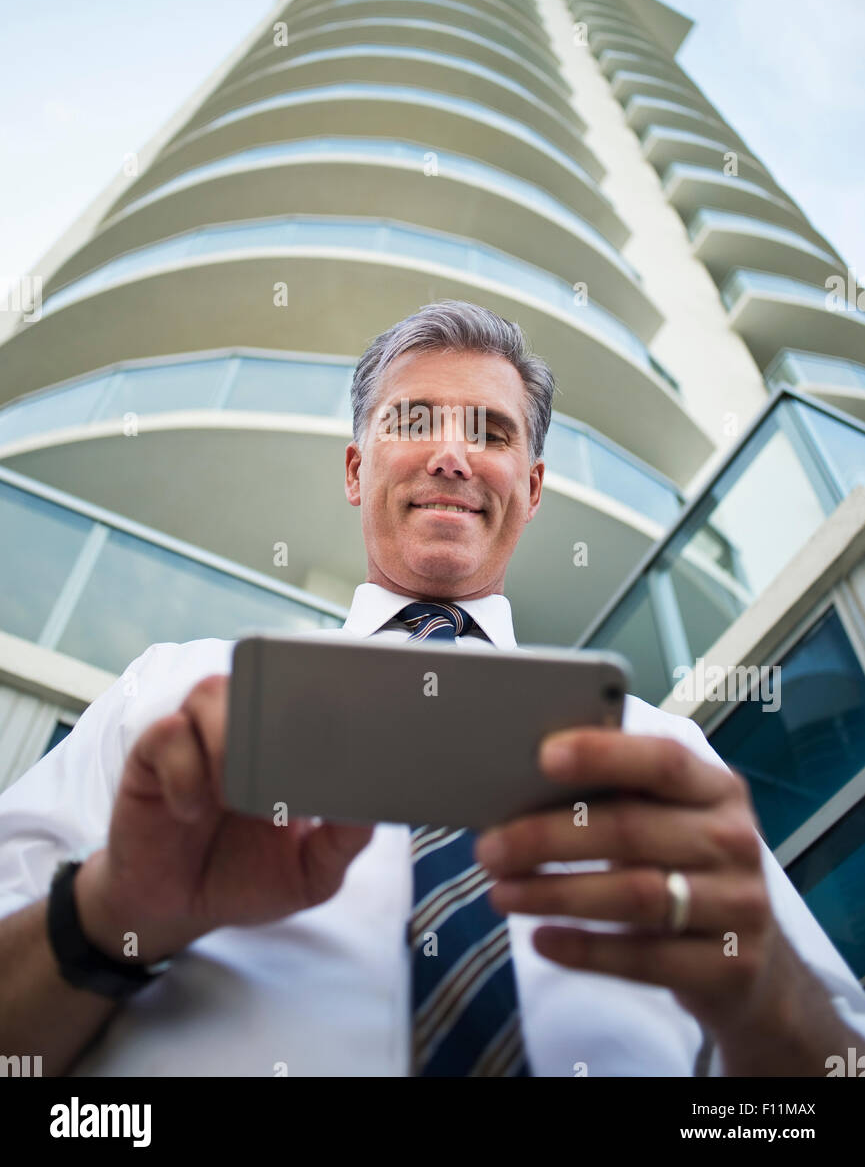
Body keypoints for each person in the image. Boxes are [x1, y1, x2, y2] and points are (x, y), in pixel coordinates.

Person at [1, 300, 864, 1078]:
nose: (452, 455)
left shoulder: (664, 760)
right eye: (413, 422)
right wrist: (115, 912)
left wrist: (769, 998)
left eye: (491, 433)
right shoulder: (173, 695)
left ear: (528, 490)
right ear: (353, 470)